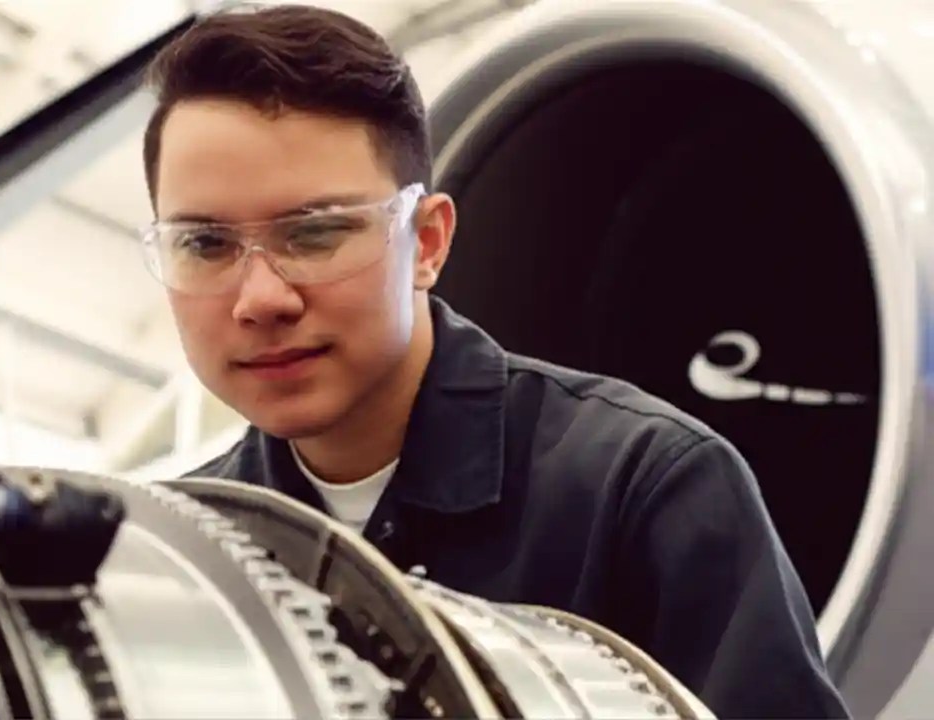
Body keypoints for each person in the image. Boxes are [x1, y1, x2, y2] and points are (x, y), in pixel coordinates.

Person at [135, 4, 851, 717]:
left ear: (429, 243)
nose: (261, 299)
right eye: (205, 246)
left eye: (315, 234)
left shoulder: (643, 494)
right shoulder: (171, 557)